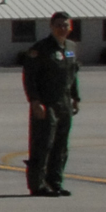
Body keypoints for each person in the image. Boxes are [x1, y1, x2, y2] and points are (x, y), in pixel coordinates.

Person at [22, 11, 82, 196]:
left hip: (64, 103)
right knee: (43, 143)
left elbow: (72, 74)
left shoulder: (71, 47)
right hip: (46, 103)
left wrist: (76, 98)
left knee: (61, 145)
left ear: (70, 27)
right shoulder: (40, 49)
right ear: (51, 27)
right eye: (58, 25)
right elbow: (30, 77)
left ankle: (55, 182)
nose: (62, 29)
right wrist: (35, 101)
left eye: (65, 25)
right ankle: (37, 185)